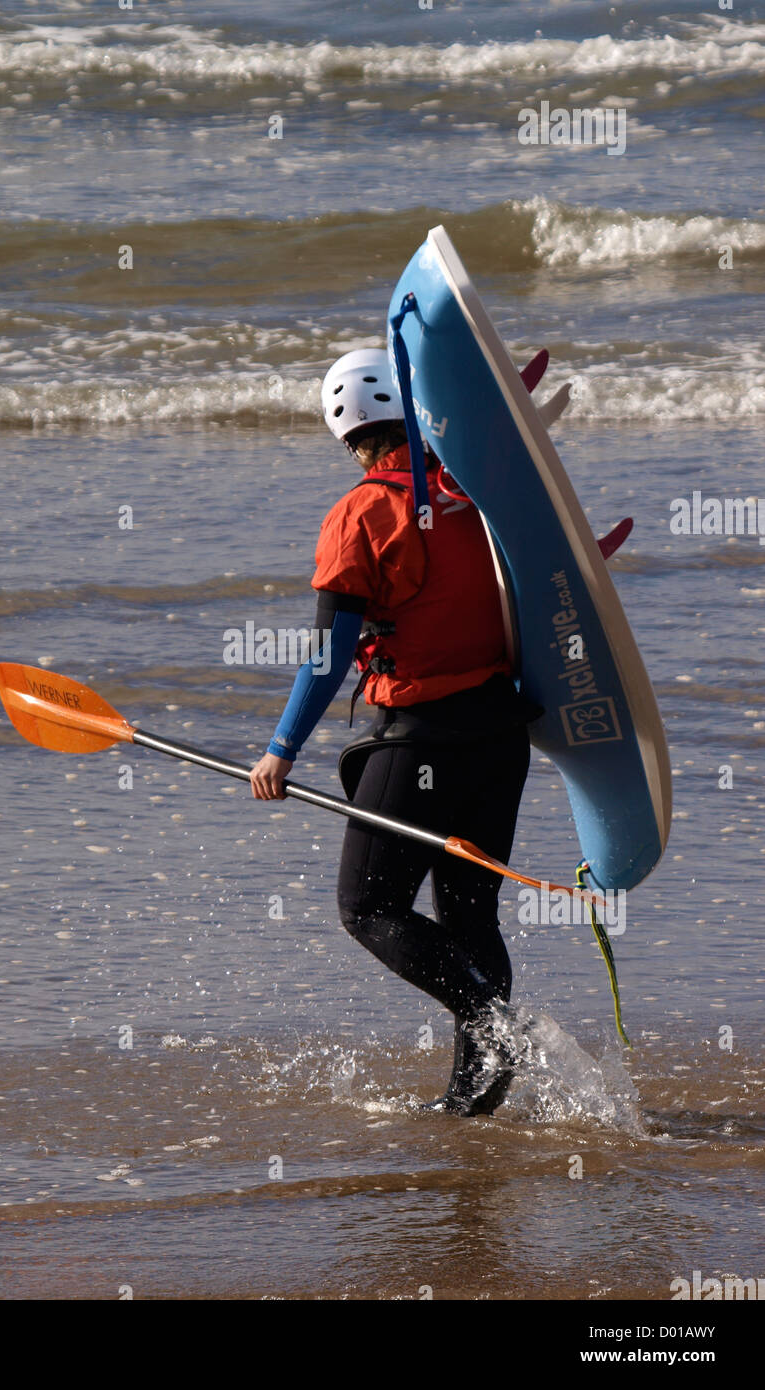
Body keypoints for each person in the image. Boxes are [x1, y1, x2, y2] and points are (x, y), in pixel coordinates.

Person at [249, 347, 540, 1115]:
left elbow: (327, 655)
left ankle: (491, 1023)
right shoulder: (482, 493)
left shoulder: (359, 514)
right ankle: (468, 1108)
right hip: (501, 734)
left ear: (345, 432)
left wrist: (281, 749)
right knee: (469, 915)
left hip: (421, 739)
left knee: (367, 908)